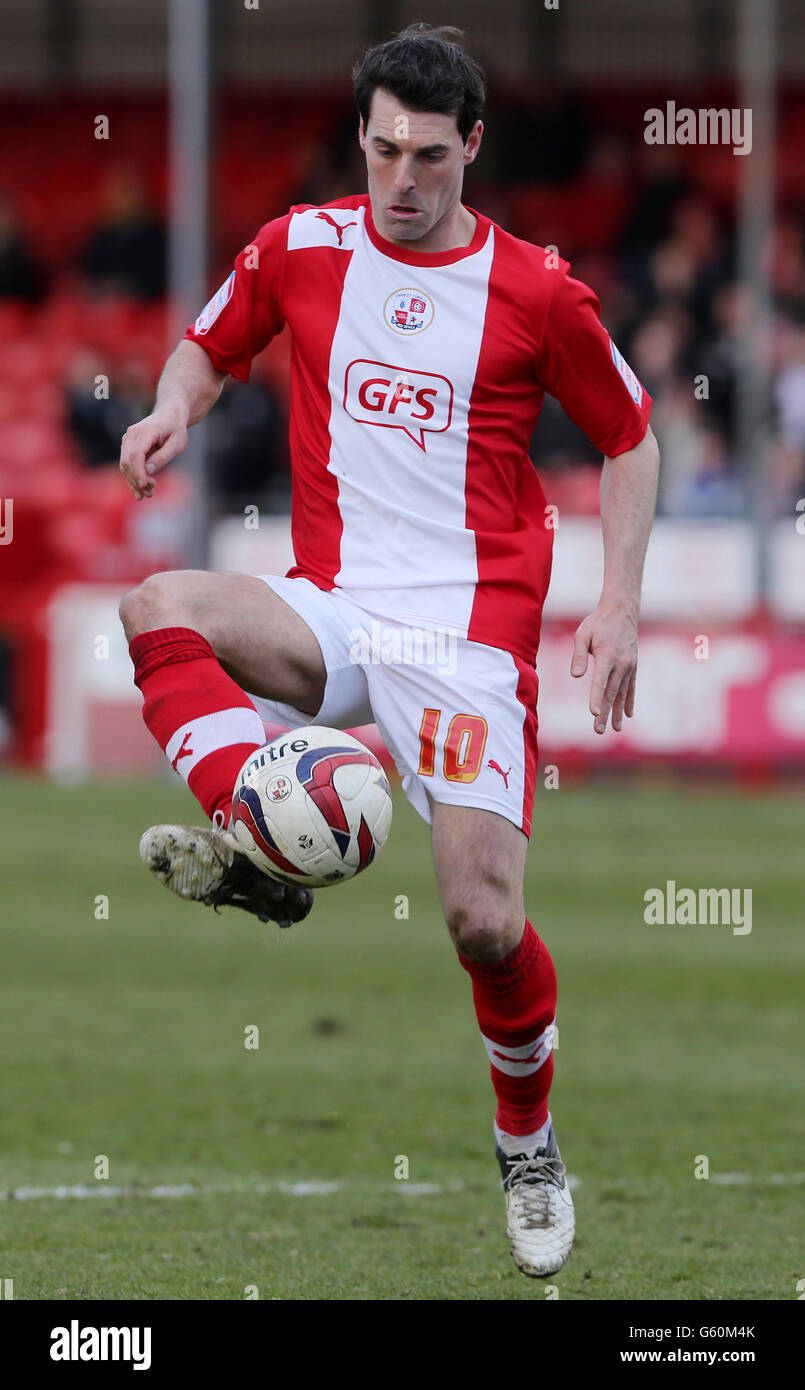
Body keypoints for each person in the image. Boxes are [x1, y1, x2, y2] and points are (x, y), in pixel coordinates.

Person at [118, 24, 659, 1280]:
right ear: (358, 140)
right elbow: (208, 344)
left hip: (465, 642)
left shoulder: (536, 290)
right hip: (335, 603)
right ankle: (260, 844)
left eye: (426, 156)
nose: (400, 181)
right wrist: (168, 407)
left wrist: (620, 599)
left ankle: (525, 1142)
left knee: (480, 920)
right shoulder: (302, 244)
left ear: (471, 147)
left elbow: (630, 437)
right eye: (379, 152)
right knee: (157, 607)